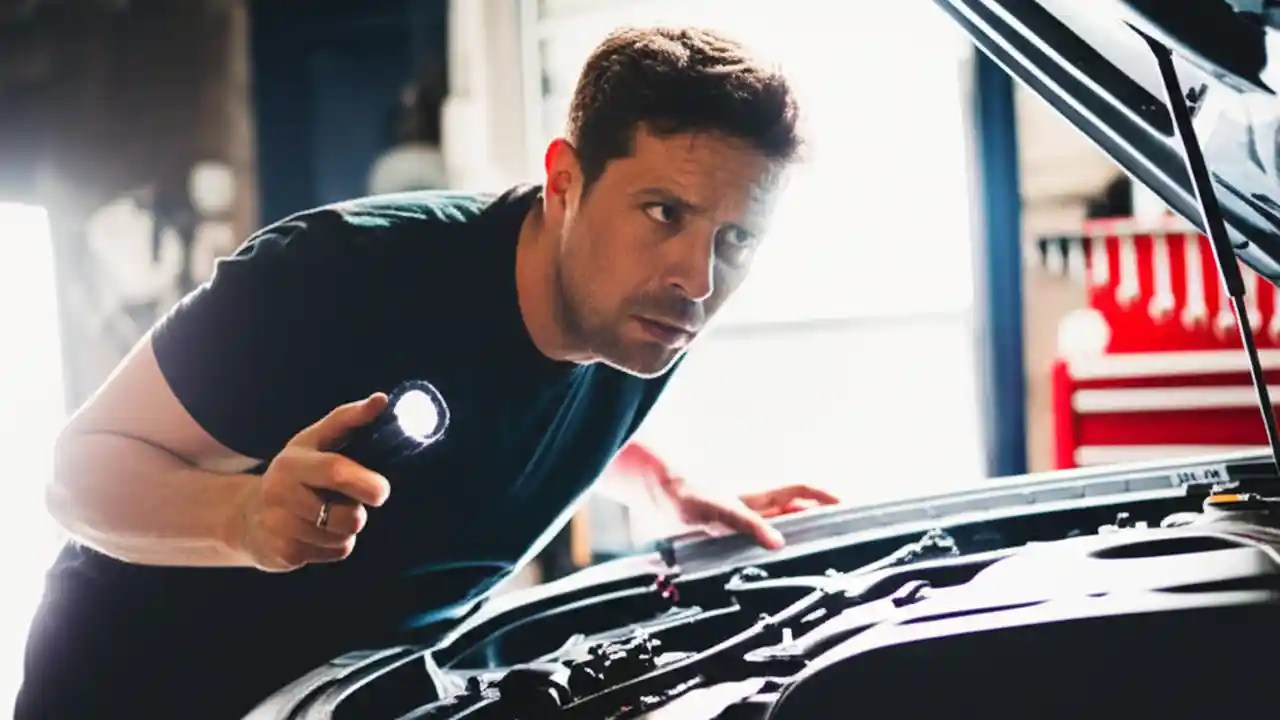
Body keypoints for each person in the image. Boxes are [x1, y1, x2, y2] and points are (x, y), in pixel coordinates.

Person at [15, 25, 839, 719]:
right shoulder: (340, 272)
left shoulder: (639, 321)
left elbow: (528, 410)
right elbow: (76, 473)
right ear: (565, 180)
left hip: (360, 698)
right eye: (666, 212)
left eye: (738, 241)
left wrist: (663, 486)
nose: (698, 277)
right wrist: (243, 516)